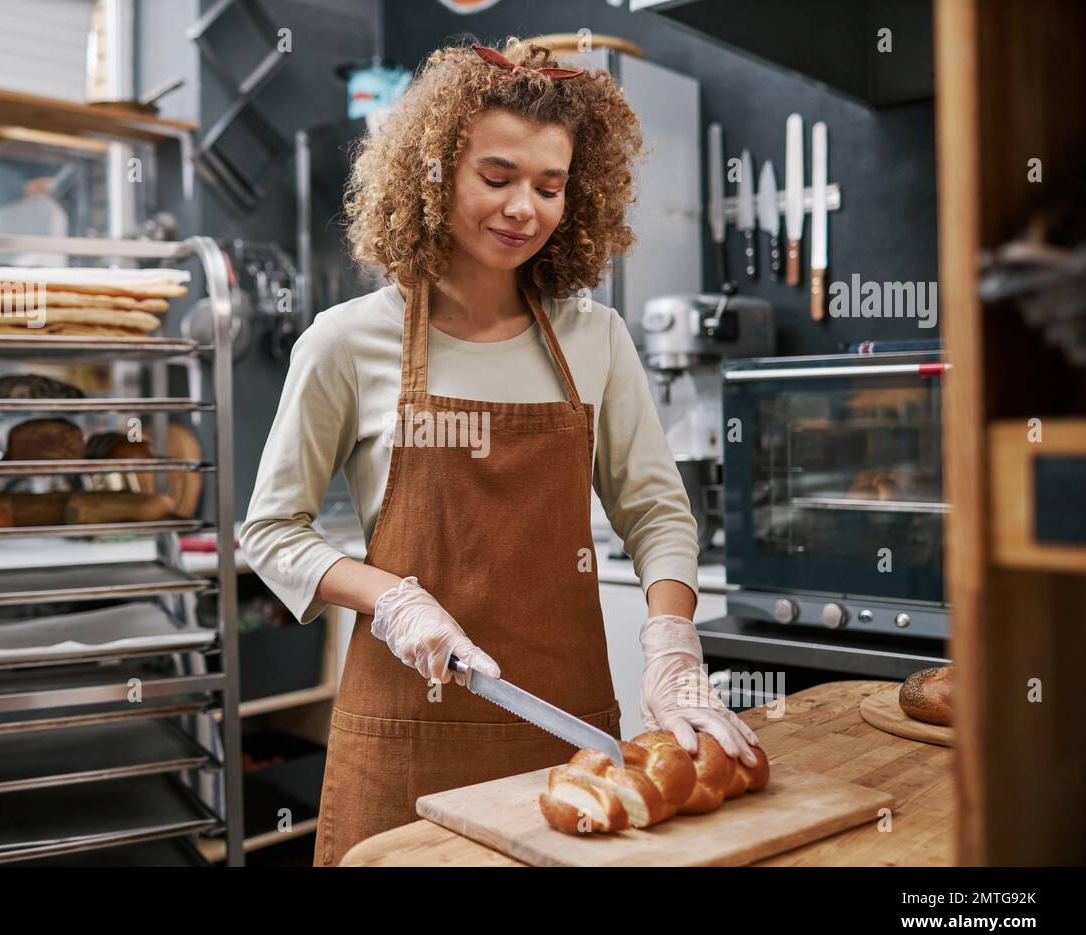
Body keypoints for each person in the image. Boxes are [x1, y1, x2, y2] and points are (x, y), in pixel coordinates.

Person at [240, 38, 759, 867]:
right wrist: (393, 600)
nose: (525, 207)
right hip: (405, 732)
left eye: (549, 186)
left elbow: (657, 512)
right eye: (497, 177)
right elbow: (269, 533)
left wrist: (672, 643)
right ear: (433, 172)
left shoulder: (597, 339)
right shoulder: (346, 341)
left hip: (568, 734)